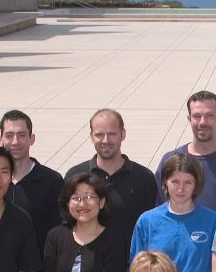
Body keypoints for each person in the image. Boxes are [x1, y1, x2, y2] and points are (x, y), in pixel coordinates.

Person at [64, 108, 160, 255]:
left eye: (112, 134)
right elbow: (66, 224)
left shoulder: (144, 177)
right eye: (99, 135)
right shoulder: (75, 175)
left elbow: (152, 227)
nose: (106, 140)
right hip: (86, 266)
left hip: (130, 270)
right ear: (91, 136)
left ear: (123, 134)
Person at [155, 90, 216, 216]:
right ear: (189, 119)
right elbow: (158, 211)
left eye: (209, 116)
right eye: (197, 116)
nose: (202, 122)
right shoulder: (169, 161)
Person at [0, 110, 64, 253]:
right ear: (0, 139)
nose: (15, 142)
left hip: (40, 271)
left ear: (32, 138)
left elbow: (59, 233)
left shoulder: (52, 181)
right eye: (9, 135)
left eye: (22, 135)